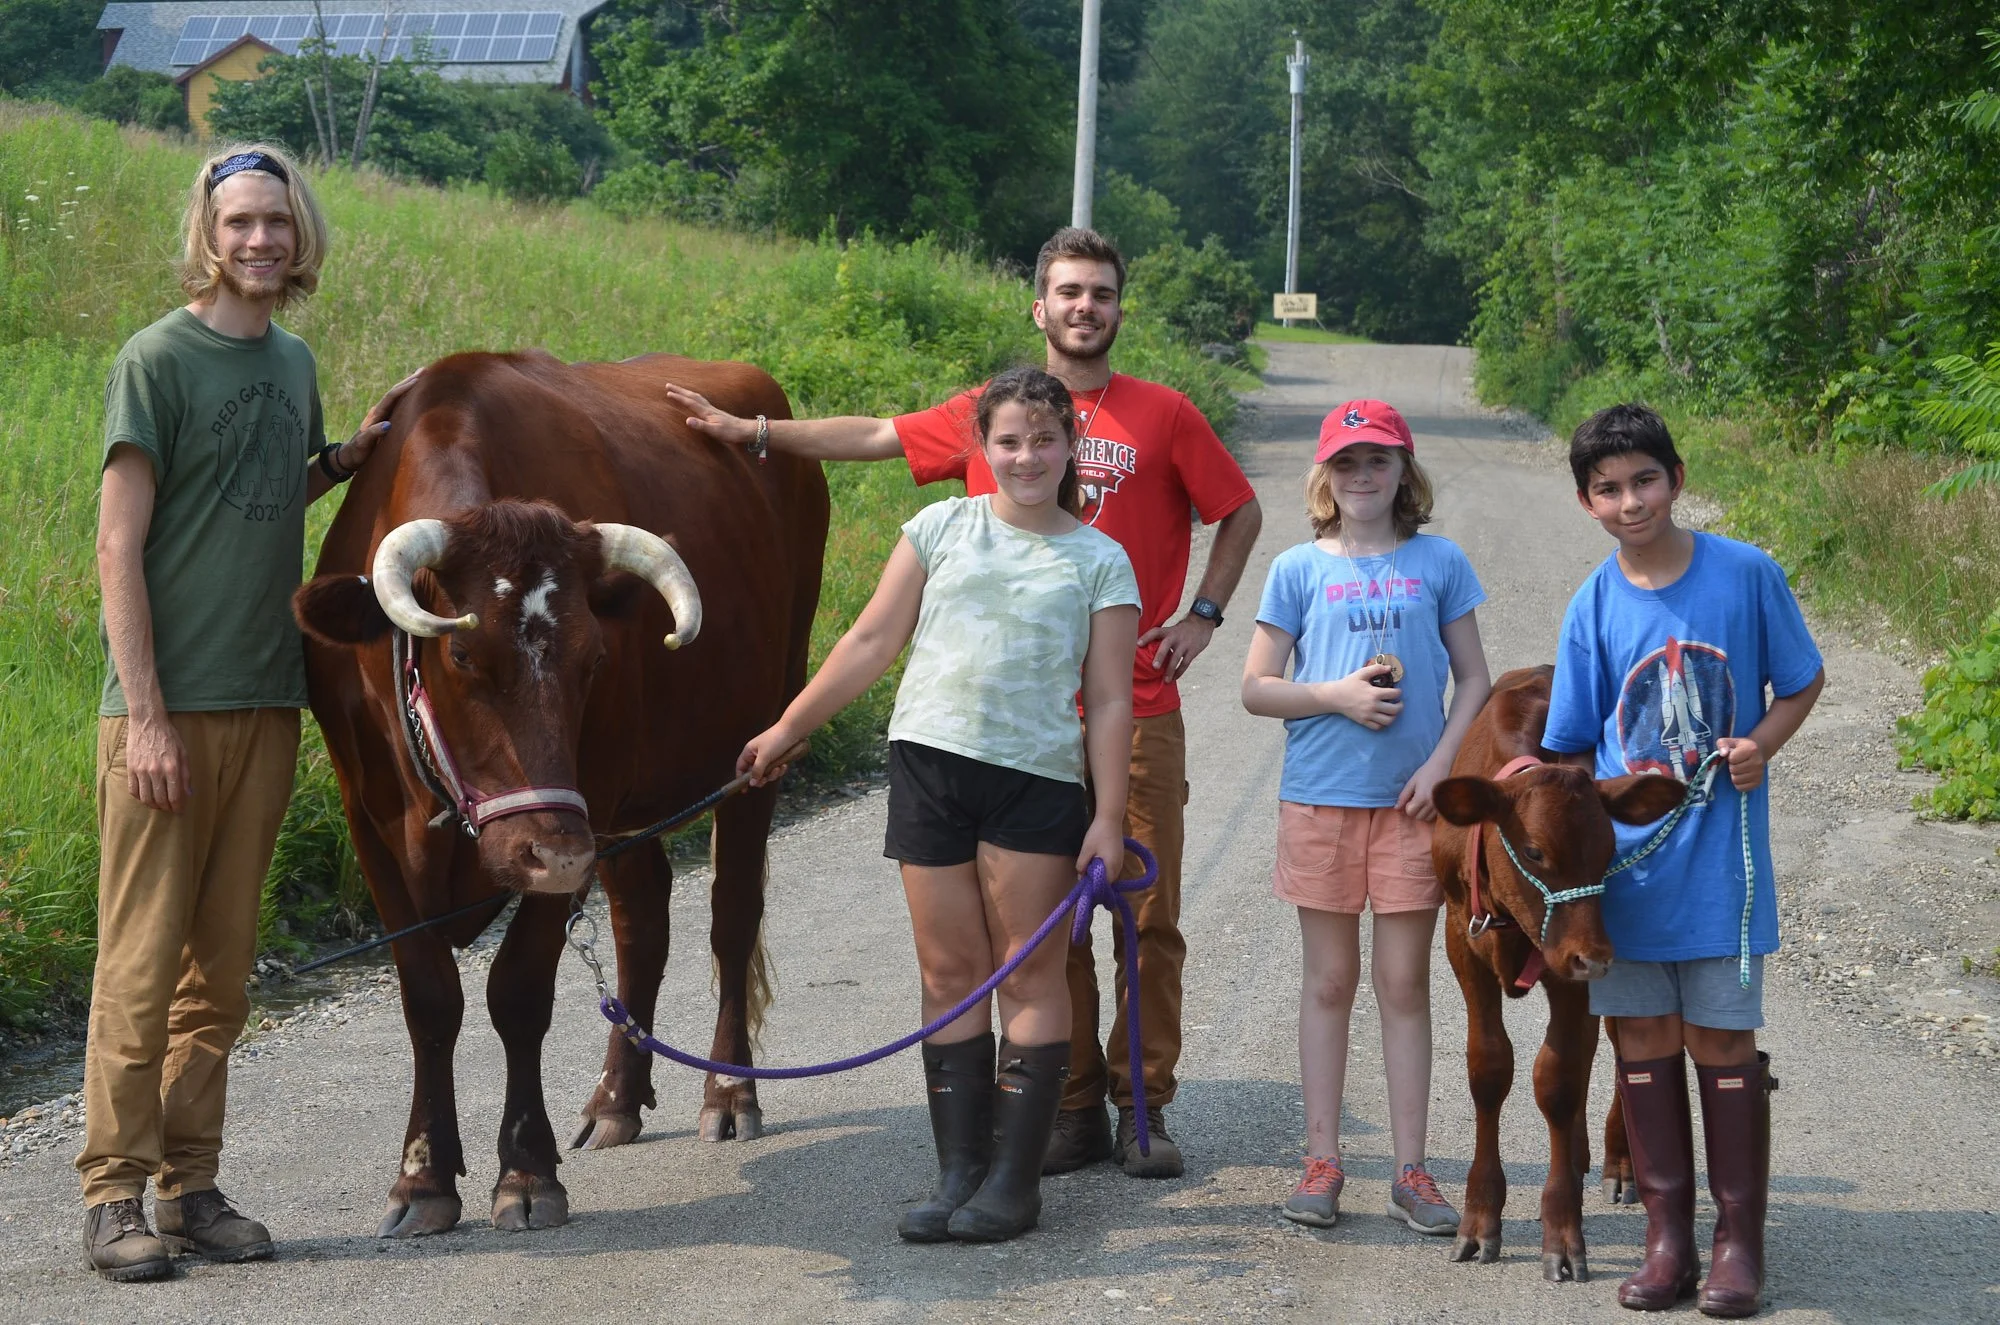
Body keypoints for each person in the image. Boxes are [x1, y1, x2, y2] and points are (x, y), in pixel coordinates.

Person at [666, 227, 1261, 1179]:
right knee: (1043, 927)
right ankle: (1065, 1107)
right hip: (1015, 729)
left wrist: (1204, 612)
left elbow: (1239, 508)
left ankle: (1143, 1102)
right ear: (1041, 305)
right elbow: (873, 435)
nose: (1084, 307)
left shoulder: (1165, 414)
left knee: (1144, 914)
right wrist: (757, 433)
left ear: (1118, 307)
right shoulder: (991, 413)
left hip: (1135, 703)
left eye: (1101, 293)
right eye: (1068, 291)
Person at [81, 144, 414, 1281]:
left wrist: (341, 458)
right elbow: (119, 544)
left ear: (299, 232)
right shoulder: (155, 359)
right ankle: (111, 1193)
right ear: (208, 234)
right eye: (239, 223)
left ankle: (190, 1185)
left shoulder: (292, 358)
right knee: (138, 963)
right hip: (166, 710)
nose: (260, 240)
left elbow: (261, 485)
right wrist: (148, 714)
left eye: (277, 221)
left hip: (269, 700)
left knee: (217, 970)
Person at [735, 367, 1140, 1242]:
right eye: (1008, 441)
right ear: (980, 448)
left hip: (1035, 781)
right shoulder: (940, 526)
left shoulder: (1100, 558)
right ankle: (958, 1166)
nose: (1026, 456)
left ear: (1071, 445)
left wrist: (1108, 816)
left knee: (1027, 975)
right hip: (929, 766)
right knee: (949, 971)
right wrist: (788, 726)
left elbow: (1110, 699)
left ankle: (1013, 1180)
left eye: (1043, 440)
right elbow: (872, 639)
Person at [1543, 404, 1823, 1318]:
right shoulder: (1592, 601)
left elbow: (1803, 677)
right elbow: (1575, 746)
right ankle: (1667, 1240)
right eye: (1609, 489)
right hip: (1628, 881)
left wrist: (1764, 742)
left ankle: (1738, 1241)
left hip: (1722, 872)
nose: (1632, 502)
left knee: (1722, 1040)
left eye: (1645, 480)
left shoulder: (1746, 575)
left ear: (1677, 475)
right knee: (1644, 1041)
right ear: (1586, 502)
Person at [1240, 399, 1491, 1234]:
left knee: (1403, 983)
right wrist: (1336, 696)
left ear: (1404, 472)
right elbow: (1257, 686)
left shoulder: (1439, 560)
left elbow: (1474, 682)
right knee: (1329, 981)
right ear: (1325, 477)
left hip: (1412, 807)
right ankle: (1322, 1160)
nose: (1362, 477)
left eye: (1378, 461)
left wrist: (1439, 764)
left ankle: (1412, 1169)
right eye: (1346, 463)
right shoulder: (1298, 569)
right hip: (1320, 798)